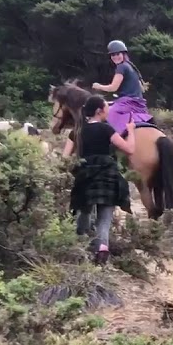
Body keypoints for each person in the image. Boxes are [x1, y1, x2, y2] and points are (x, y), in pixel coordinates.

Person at [66, 95, 135, 265]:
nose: (108, 111)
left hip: (86, 175)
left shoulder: (76, 131)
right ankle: (101, 249)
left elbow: (65, 157)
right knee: (104, 219)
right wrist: (131, 131)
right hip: (107, 177)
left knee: (84, 211)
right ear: (99, 111)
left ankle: (80, 247)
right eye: (106, 108)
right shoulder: (106, 129)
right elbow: (130, 149)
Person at [92, 40, 152, 138]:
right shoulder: (130, 66)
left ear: (123, 54)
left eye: (117, 54)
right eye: (112, 55)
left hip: (127, 103)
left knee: (104, 112)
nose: (115, 57)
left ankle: (114, 139)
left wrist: (99, 86)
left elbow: (113, 87)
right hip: (138, 104)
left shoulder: (121, 67)